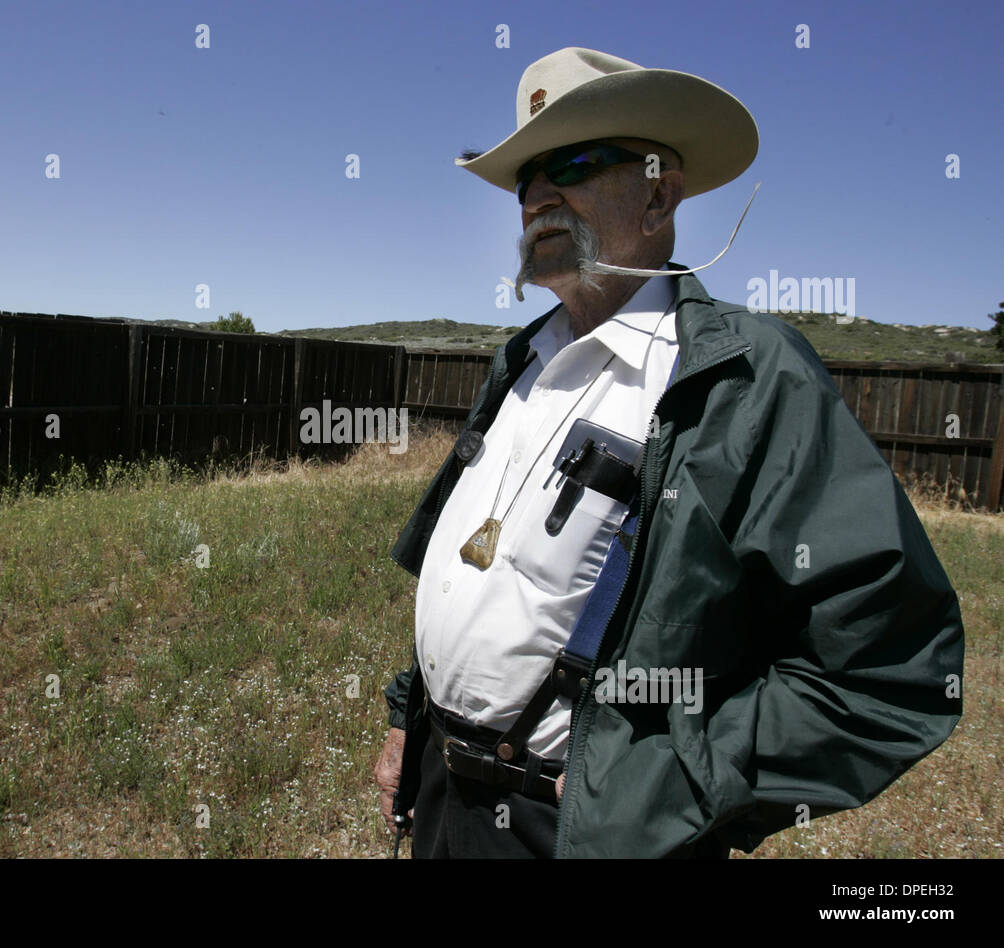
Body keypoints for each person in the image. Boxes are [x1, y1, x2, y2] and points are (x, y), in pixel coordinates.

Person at [373, 47, 964, 859]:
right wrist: (413, 723)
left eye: (573, 163)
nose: (539, 195)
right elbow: (481, 573)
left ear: (658, 194)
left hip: (584, 833)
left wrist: (656, 795)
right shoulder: (520, 361)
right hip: (444, 797)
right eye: (524, 180)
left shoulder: (744, 380)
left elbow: (889, 673)